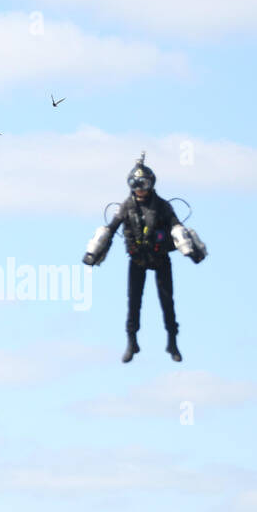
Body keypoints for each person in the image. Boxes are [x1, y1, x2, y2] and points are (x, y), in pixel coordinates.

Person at [85, 153, 184, 362]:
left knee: (167, 302)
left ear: (150, 184)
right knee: (134, 303)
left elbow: (178, 227)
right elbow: (111, 229)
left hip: (160, 259)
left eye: (143, 183)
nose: (139, 188)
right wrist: (93, 253)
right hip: (137, 260)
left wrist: (190, 248)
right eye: (135, 184)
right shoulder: (127, 206)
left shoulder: (162, 206)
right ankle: (132, 341)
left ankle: (172, 342)